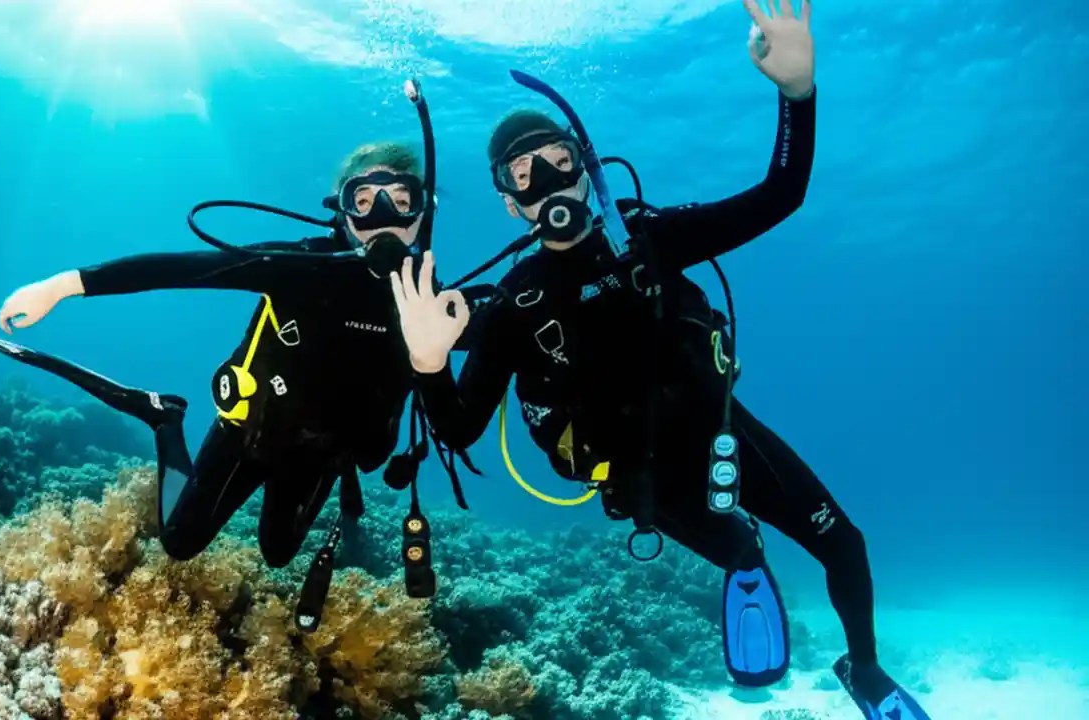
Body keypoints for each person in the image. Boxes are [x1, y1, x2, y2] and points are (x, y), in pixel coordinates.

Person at [391, 2, 933, 719]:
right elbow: (457, 432)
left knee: (845, 544)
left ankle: (865, 672)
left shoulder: (648, 238)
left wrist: (797, 96)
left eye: (558, 160)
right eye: (524, 173)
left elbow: (780, 196)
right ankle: (747, 559)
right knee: (742, 549)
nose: (546, 182)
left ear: (585, 169)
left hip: (723, 430)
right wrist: (428, 363)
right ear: (509, 204)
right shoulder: (515, 306)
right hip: (643, 481)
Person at [0, 81, 483, 629]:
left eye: (400, 200)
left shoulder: (438, 304)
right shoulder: (300, 267)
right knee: (177, 542)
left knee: (277, 554)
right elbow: (184, 268)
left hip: (324, 456)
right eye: (362, 202)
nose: (381, 215)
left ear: (421, 214)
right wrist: (63, 285)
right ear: (340, 216)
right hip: (251, 430)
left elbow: (483, 382)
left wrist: (436, 356)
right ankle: (163, 416)